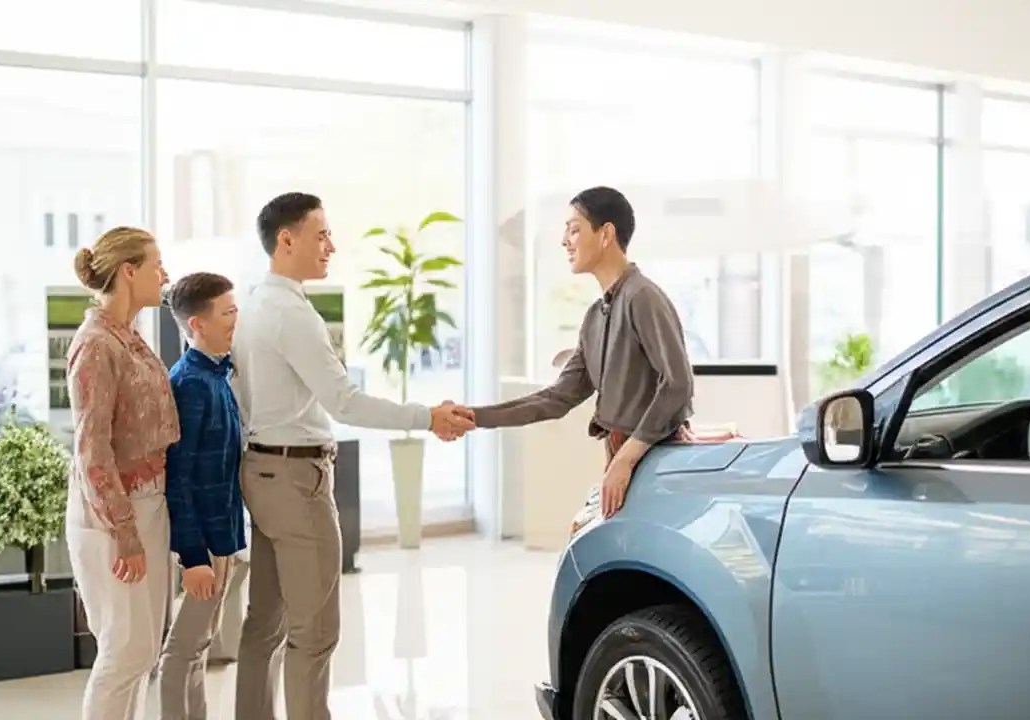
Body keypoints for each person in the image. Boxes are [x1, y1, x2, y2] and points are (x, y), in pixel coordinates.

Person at [232, 192, 475, 720]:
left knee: (265, 623)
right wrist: (427, 417)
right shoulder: (292, 314)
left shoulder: (254, 304)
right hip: (297, 481)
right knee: (315, 632)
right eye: (321, 235)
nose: (332, 246)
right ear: (286, 240)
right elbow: (344, 401)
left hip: (262, 471)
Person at [470, 186, 694, 517]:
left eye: (574, 229)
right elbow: (556, 398)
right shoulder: (595, 316)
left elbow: (678, 384)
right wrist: (474, 417)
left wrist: (626, 458)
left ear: (606, 235)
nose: (564, 241)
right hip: (624, 461)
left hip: (654, 465)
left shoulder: (642, 297)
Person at [65, 226, 180, 720]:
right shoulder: (96, 344)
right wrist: (125, 532)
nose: (165, 275)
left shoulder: (130, 337)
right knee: (123, 651)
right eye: (157, 264)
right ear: (129, 272)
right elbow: (92, 449)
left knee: (143, 651)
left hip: (148, 504)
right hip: (114, 516)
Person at [158, 272, 243, 720]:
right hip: (205, 543)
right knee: (181, 652)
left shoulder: (217, 374)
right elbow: (179, 475)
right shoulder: (190, 383)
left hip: (221, 535)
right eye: (228, 312)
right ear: (197, 324)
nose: (236, 320)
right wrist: (193, 557)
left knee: (200, 646)